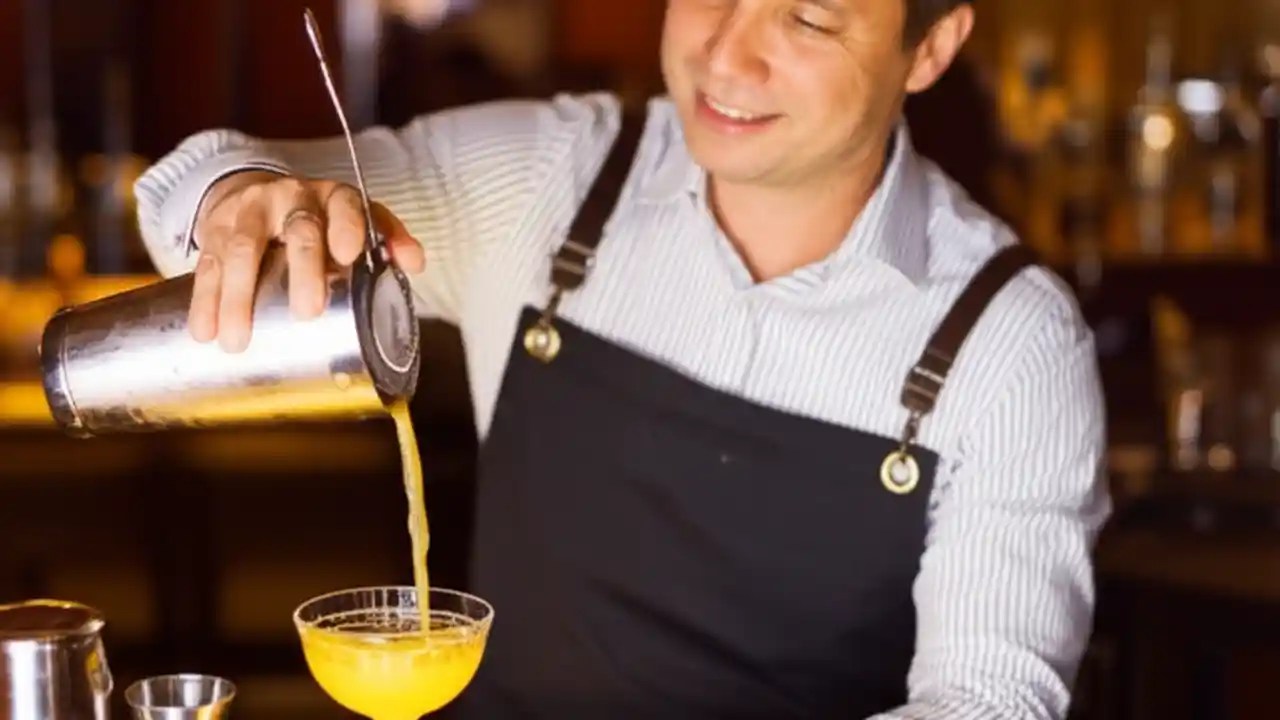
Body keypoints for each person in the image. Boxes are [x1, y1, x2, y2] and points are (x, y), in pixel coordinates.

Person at [133, 0, 1111, 717]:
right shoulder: (554, 179)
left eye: (806, 19)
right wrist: (245, 202)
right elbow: (182, 192)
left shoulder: (1008, 340)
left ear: (928, 46)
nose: (726, 53)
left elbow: (990, 702)